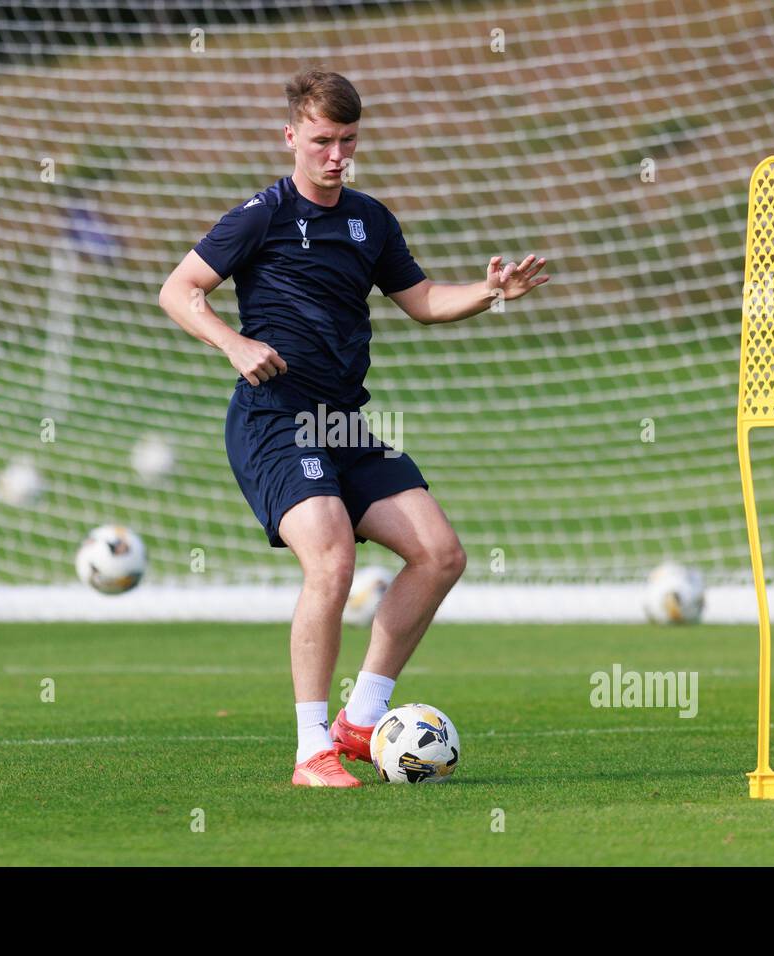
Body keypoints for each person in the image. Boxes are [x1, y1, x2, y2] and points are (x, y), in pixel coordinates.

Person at [158, 69, 549, 787]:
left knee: (440, 553)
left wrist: (491, 292)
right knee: (332, 559)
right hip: (274, 419)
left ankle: (362, 719)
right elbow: (178, 290)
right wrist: (235, 344)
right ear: (291, 138)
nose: (336, 156)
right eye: (322, 141)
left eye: (348, 141)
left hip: (342, 424)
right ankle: (312, 749)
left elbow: (424, 300)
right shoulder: (261, 215)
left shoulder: (371, 219)